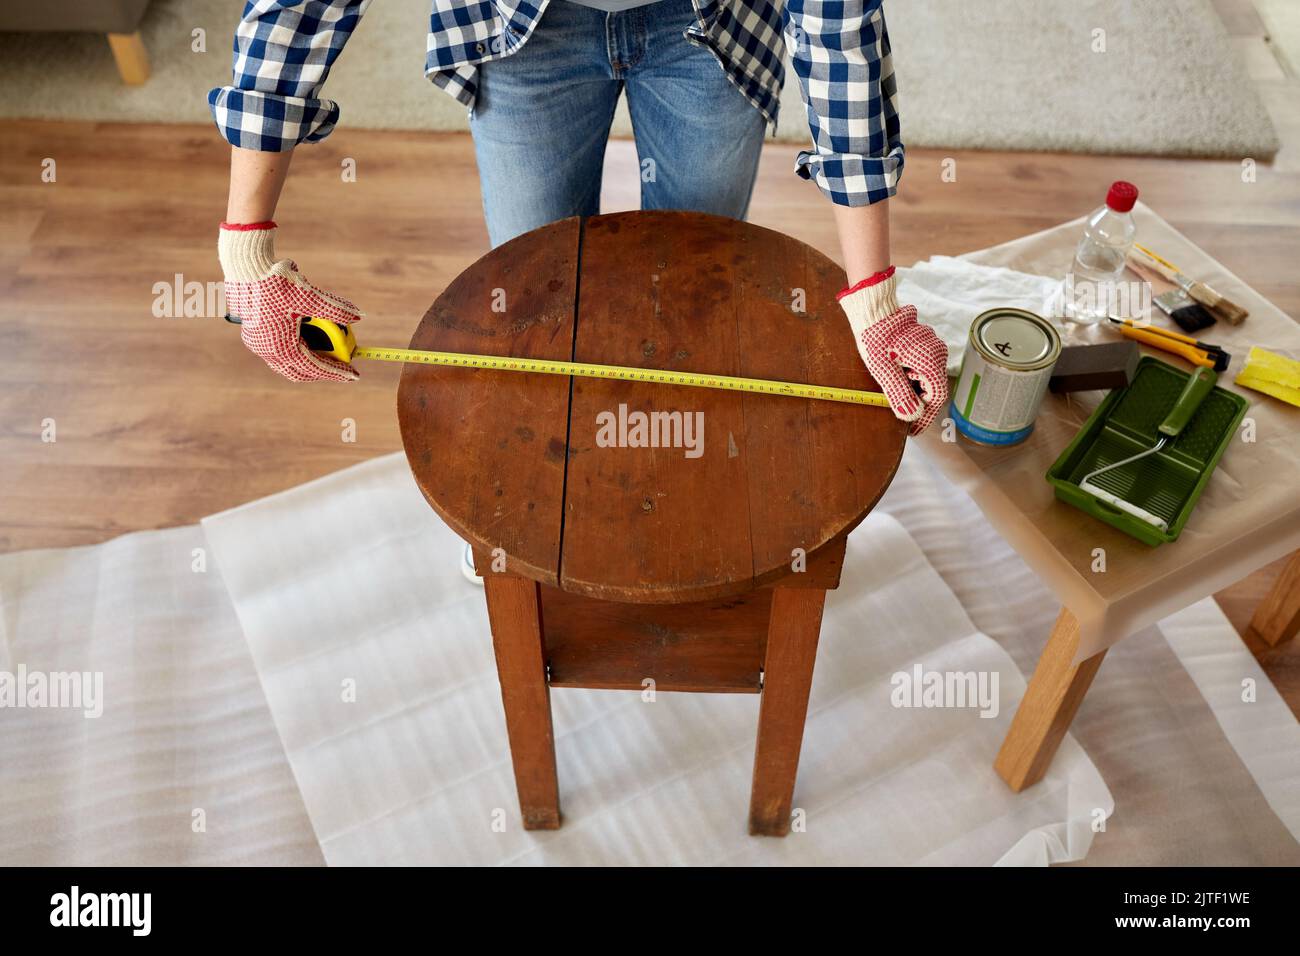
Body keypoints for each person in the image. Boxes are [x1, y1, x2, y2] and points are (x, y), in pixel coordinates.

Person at [213, 2, 950, 575]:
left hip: (712, 23)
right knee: (531, 304)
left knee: (696, 302)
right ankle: (531, 520)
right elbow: (299, 9)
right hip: (521, 27)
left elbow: (838, 27)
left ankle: (681, 508)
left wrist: (874, 297)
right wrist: (245, 246)